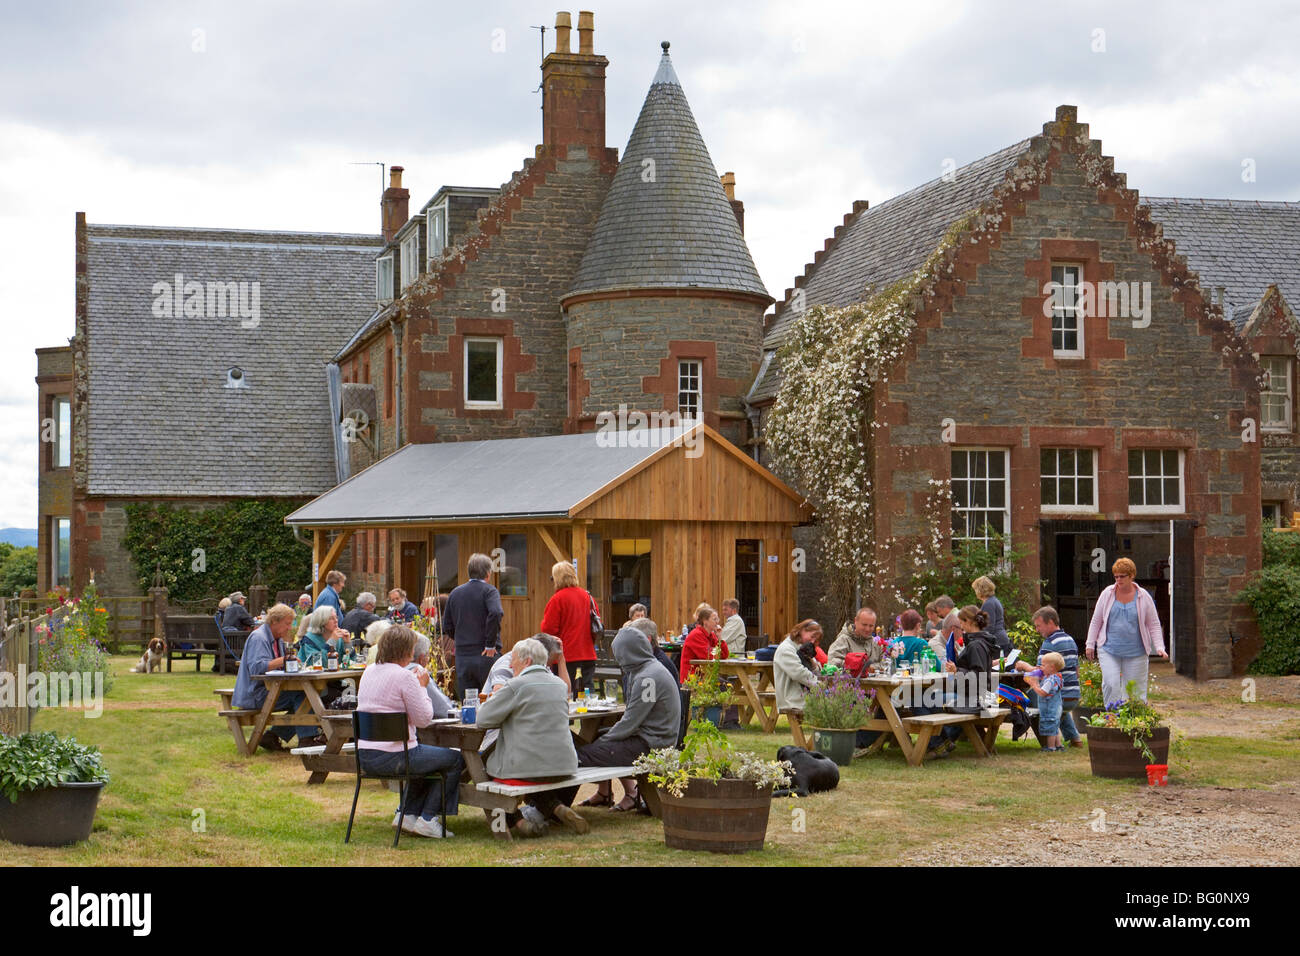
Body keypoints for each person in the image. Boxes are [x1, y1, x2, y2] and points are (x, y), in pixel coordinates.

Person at [537, 625, 682, 818]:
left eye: (618, 654)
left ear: (628, 652)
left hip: (649, 746)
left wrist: (604, 742)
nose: (617, 659)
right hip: (654, 741)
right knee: (584, 748)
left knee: (575, 756)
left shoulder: (648, 678)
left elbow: (630, 722)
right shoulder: (650, 669)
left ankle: (550, 809)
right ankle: (555, 807)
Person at [356, 625, 463, 839]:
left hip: (366, 755)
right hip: (396, 757)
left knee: (428, 758)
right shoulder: (405, 676)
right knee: (455, 759)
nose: (413, 654)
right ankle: (428, 818)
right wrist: (422, 686)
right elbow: (423, 720)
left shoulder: (368, 672)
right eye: (412, 649)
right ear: (405, 651)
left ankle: (407, 814)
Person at [475, 637, 583, 838]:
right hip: (564, 766)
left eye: (513, 659)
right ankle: (556, 807)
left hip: (528, 768)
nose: (509, 664)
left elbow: (483, 719)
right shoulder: (559, 685)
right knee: (529, 765)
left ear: (527, 662)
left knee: (480, 767)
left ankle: (518, 821)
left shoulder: (516, 685)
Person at [231, 604, 320, 750]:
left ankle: (272, 736)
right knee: (303, 695)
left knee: (308, 695)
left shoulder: (276, 638)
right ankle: (306, 739)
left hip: (268, 690)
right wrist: (284, 660)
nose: (290, 628)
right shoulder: (259, 638)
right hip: (256, 694)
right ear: (274, 621)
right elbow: (256, 668)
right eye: (287, 623)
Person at [1086, 557, 1167, 705]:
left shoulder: (1143, 596)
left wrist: (1160, 647)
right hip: (1109, 648)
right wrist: (1090, 644)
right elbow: (1096, 620)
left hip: (1136, 651)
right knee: (1111, 683)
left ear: (1131, 576)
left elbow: (1154, 624)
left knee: (1135, 691)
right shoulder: (1107, 594)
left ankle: (1133, 721)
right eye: (1116, 576)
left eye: (1122, 576)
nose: (1118, 579)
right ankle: (1111, 717)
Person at [934, 606, 999, 756]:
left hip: (974, 698)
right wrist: (958, 660)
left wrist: (957, 670)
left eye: (961, 622)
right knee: (932, 697)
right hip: (974, 695)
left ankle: (940, 742)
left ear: (968, 622)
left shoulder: (976, 645)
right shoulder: (979, 642)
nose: (961, 626)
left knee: (928, 699)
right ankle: (942, 741)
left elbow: (978, 676)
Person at [1016, 606, 1082, 747]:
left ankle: (1047, 741)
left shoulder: (1050, 643)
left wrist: (1023, 665)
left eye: (1039, 626)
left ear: (1050, 622)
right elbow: (1076, 671)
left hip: (1059, 697)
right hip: (1074, 695)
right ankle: (1075, 738)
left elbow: (1039, 673)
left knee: (1024, 697)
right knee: (1056, 704)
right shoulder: (1070, 639)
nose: (1037, 630)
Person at [443, 553, 504, 701]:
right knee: (490, 700)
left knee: (469, 702)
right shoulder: (489, 591)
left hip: (463, 656)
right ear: (488, 573)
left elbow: (447, 625)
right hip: (486, 654)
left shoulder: (455, 593)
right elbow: (495, 613)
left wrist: (460, 638)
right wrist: (489, 643)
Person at [539, 561, 599, 694]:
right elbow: (596, 625)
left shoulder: (557, 599)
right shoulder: (588, 597)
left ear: (557, 578)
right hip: (588, 653)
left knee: (566, 692)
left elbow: (548, 630)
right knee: (587, 691)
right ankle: (591, 714)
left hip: (566, 656)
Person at [481, 633, 571, 698]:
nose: (548, 666)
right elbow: (498, 695)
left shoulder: (538, 662)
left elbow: (565, 693)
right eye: (549, 662)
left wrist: (561, 659)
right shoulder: (506, 663)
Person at [774, 619, 822, 716]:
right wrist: (821, 686)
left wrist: (811, 660)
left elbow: (817, 671)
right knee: (838, 704)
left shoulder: (802, 647)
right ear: (801, 630)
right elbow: (799, 674)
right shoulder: (786, 649)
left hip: (804, 694)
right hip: (792, 699)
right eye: (812, 636)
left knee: (845, 702)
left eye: (815, 640)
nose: (813, 641)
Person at [1025, 652, 1067, 752]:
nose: (1041, 667)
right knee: (1055, 727)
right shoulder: (1056, 677)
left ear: (1052, 667)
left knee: (1050, 728)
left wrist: (1034, 684)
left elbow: (1043, 693)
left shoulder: (1050, 680)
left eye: (1043, 665)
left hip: (1049, 708)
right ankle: (1059, 745)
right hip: (1056, 707)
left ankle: (1050, 747)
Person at [679, 604, 729, 685]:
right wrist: (715, 651)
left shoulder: (711, 635)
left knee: (727, 686)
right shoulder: (696, 635)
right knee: (725, 687)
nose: (718, 622)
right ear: (705, 621)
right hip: (691, 679)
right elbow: (709, 656)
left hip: (705, 676)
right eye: (714, 619)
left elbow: (725, 654)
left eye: (717, 619)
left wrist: (720, 638)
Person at [411, 634, 456, 717]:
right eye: (428, 655)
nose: (429, 659)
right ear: (421, 659)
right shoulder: (420, 674)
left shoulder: (396, 671)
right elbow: (445, 710)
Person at [973, 576, 1011, 655]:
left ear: (980, 590)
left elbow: (989, 627)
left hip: (997, 641)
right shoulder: (993, 600)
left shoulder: (989, 603)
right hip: (1000, 639)